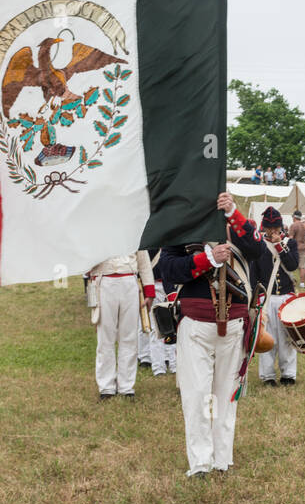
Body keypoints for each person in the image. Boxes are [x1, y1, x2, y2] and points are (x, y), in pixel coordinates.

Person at [157, 192, 265, 477]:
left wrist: (232, 213)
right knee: (196, 395)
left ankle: (221, 459)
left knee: (226, 396)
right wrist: (207, 259)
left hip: (234, 325)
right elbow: (168, 269)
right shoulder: (182, 226)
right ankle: (201, 462)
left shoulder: (238, 224)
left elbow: (256, 250)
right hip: (195, 322)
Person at [87, 250, 155, 400]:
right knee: (105, 337)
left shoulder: (133, 228)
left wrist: (149, 289)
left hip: (129, 279)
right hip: (104, 279)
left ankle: (126, 386)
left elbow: (143, 259)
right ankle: (106, 387)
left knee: (129, 337)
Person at [253, 207, 300, 386]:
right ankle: (268, 376)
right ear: (264, 228)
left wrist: (280, 245)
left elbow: (293, 264)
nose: (273, 231)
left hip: (286, 296)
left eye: (275, 228)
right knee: (267, 338)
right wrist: (256, 299)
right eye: (269, 228)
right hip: (266, 298)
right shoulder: (258, 246)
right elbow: (254, 274)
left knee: (287, 338)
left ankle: (288, 374)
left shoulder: (290, 243)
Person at [138, 250, 177, 378]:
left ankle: (172, 363)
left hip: (169, 284)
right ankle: (158, 366)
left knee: (171, 325)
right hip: (155, 283)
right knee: (156, 327)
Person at [288, 210, 305, 284]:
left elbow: (290, 238)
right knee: (302, 266)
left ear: (294, 217)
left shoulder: (293, 225)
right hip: (303, 248)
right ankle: (302, 283)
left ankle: (291, 281)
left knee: (290, 265)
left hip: (295, 248)